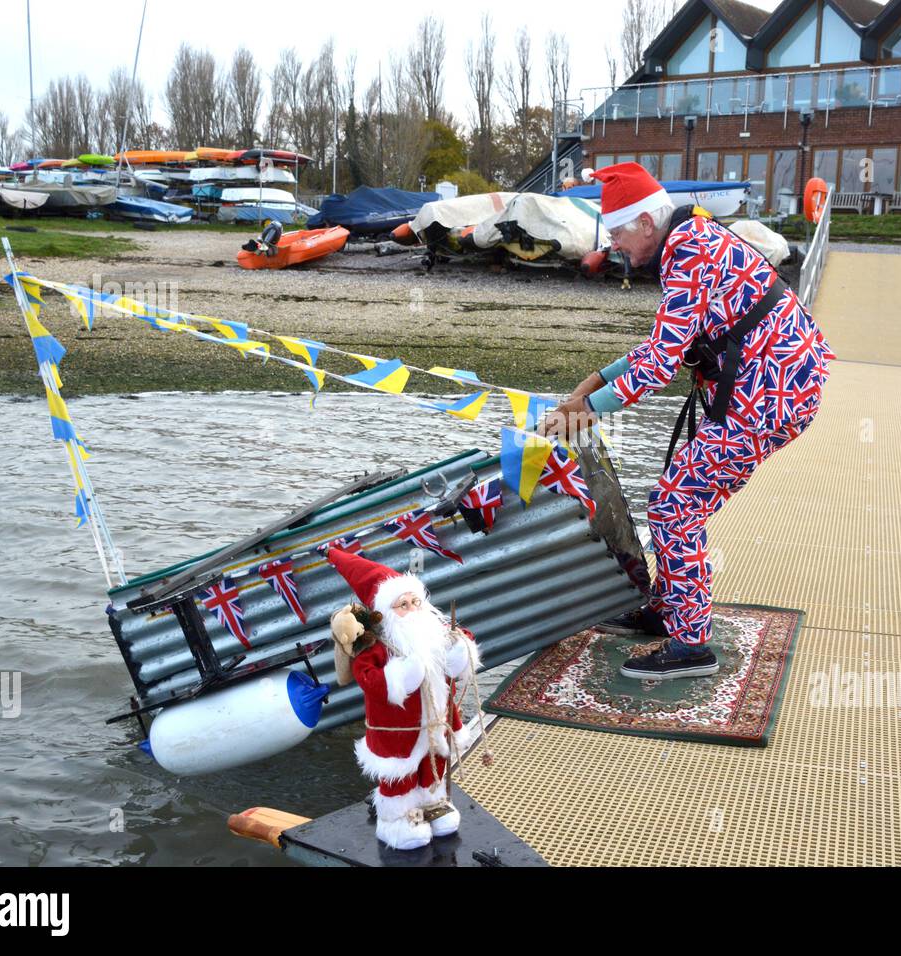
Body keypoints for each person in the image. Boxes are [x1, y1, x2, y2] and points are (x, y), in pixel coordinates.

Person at [541, 162, 834, 681]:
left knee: (677, 505)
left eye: (618, 234)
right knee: (678, 498)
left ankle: (692, 644)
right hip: (768, 384)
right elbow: (662, 345)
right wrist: (590, 384)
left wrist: (583, 414)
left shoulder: (688, 252)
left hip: (769, 390)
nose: (614, 248)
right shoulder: (691, 238)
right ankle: (673, 611)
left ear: (646, 224)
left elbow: (659, 365)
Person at [325, 546, 480, 851]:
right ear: (386, 612)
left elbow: (462, 647)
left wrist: (460, 651)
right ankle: (396, 822)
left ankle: (434, 806)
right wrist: (401, 676)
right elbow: (368, 678)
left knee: (433, 766)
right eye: (402, 605)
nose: (411, 609)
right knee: (400, 775)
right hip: (398, 732)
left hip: (436, 720)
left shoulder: (435, 631)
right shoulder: (377, 647)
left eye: (415, 602)